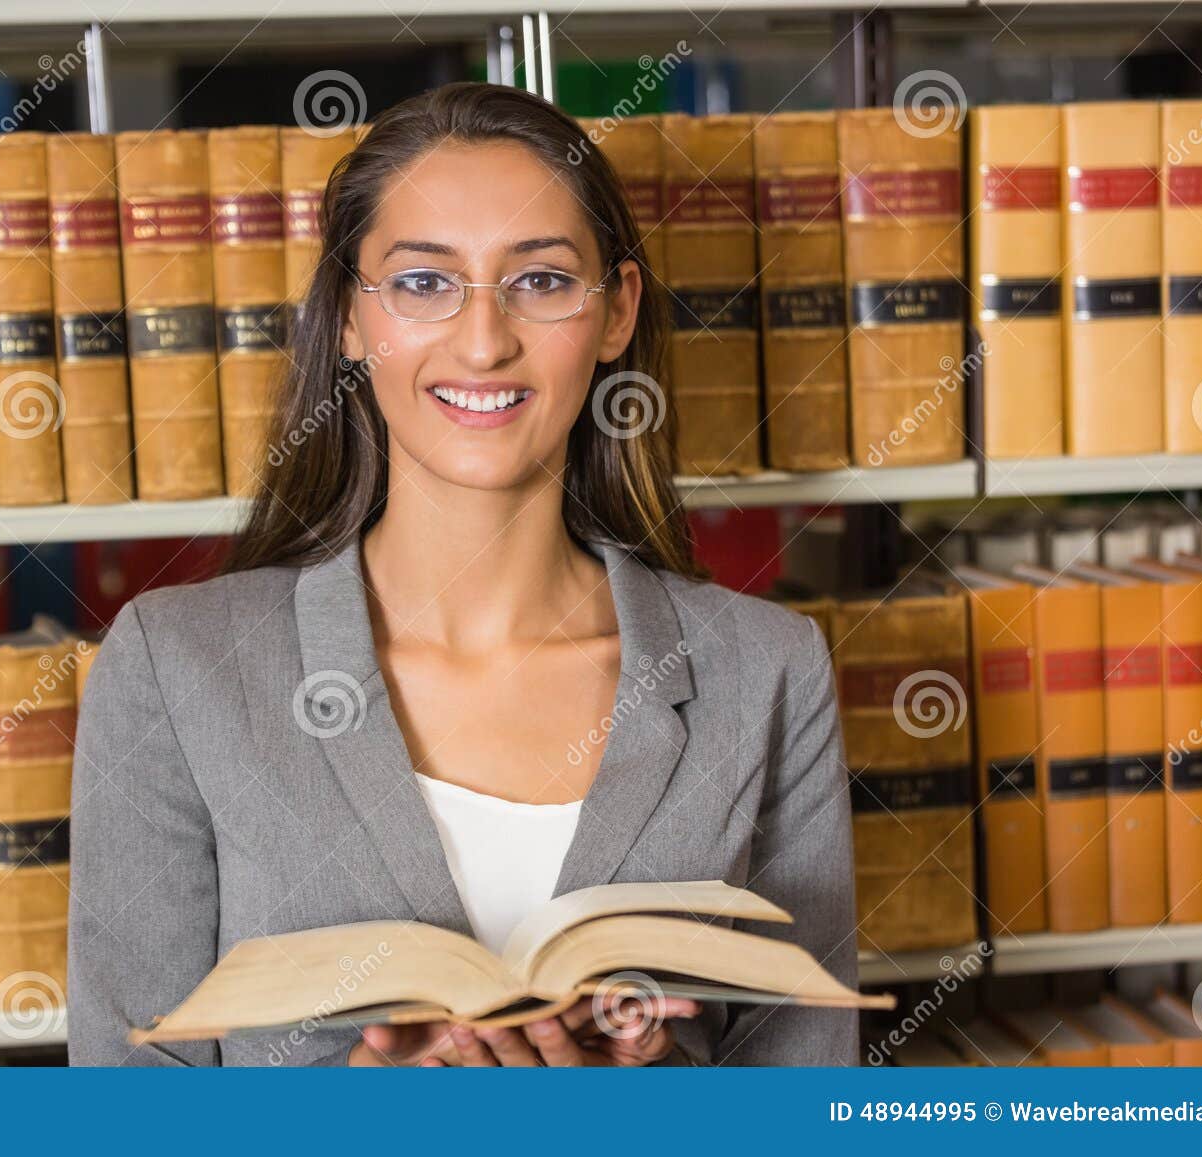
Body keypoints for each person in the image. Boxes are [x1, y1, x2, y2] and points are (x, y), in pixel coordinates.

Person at [67, 81, 857, 1067]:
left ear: (616, 313)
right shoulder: (175, 666)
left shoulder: (767, 669)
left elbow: (809, 1099)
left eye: (539, 280)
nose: (484, 341)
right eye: (423, 283)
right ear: (350, 320)